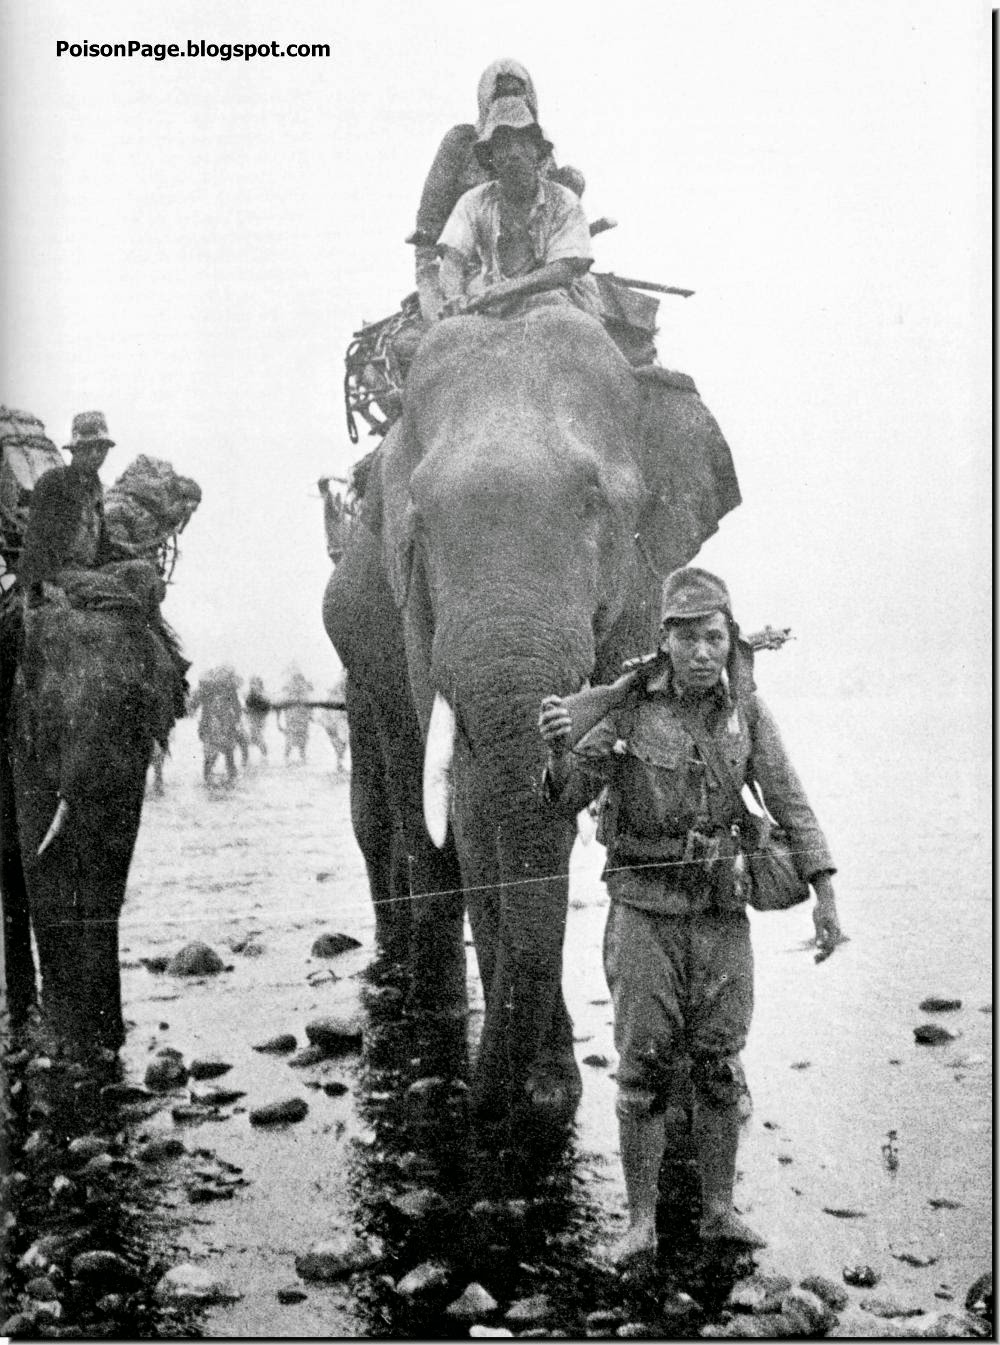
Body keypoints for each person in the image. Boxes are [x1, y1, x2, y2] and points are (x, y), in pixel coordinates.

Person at [537, 566, 845, 1264]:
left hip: (720, 913)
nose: (702, 652)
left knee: (719, 1065)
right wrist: (558, 747)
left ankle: (718, 1211)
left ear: (730, 639)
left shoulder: (748, 715)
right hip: (643, 915)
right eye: (687, 638)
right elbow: (565, 797)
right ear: (665, 642)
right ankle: (640, 1223)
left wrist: (825, 893)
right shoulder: (624, 710)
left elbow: (791, 802)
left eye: (714, 637)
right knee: (642, 1068)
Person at [18, 410, 188, 715]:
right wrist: (39, 585)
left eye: (102, 448)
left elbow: (104, 544)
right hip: (63, 571)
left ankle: (167, 665)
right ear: (76, 450)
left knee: (144, 576)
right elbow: (36, 539)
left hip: (89, 570)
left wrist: (134, 559)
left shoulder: (95, 486)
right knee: (125, 599)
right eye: (90, 448)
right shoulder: (54, 482)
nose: (97, 454)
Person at [411, 59, 568, 323]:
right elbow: (429, 222)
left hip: (530, 270)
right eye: (500, 94)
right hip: (464, 265)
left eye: (516, 93)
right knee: (444, 331)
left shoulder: (540, 152)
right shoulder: (460, 143)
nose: (509, 101)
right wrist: (432, 277)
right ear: (485, 99)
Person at [437, 97, 600, 321]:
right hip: (489, 303)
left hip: (549, 299)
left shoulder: (564, 200)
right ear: (492, 158)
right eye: (503, 145)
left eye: (523, 143)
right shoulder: (473, 201)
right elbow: (453, 260)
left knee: (569, 322)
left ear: (537, 153)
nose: (514, 154)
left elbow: (562, 270)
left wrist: (496, 293)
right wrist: (454, 298)